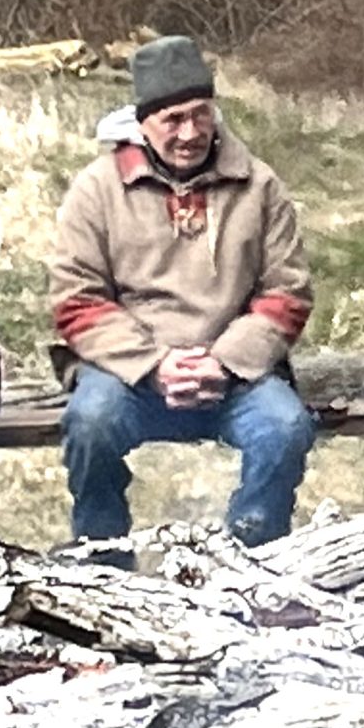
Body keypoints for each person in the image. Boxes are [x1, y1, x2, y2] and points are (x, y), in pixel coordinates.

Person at [48, 36, 315, 560]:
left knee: (285, 428)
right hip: (130, 374)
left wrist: (224, 362)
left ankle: (251, 564)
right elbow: (76, 299)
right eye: (172, 120)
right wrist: (154, 364)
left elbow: (287, 292)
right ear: (142, 122)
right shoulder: (97, 190)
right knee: (90, 423)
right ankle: (102, 564)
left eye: (200, 115)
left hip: (234, 373)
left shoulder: (258, 186)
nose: (189, 133)